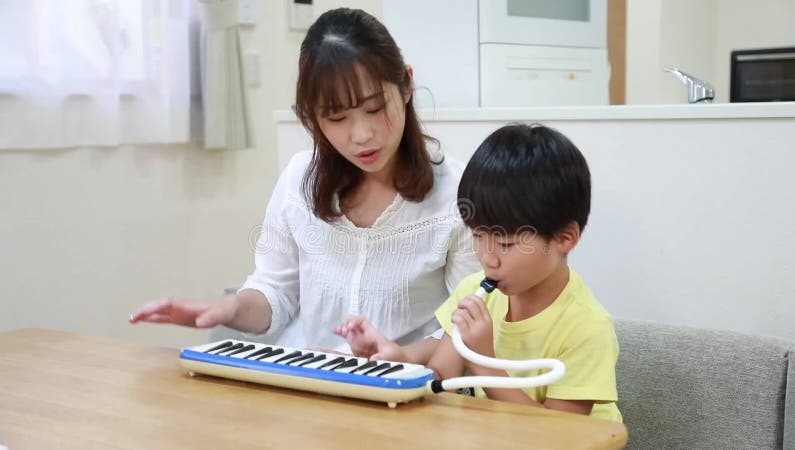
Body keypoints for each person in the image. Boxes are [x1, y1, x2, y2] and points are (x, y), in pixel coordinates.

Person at [129, 8, 479, 352]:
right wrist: (229, 309)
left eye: (374, 109)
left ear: (406, 85)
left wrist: (401, 358)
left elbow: (465, 325)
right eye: (337, 118)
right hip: (304, 379)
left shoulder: (457, 194)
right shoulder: (300, 179)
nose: (361, 135)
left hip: (401, 387)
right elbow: (275, 293)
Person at [335, 124, 623, 422]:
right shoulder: (475, 291)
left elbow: (561, 435)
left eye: (505, 244)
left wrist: (484, 362)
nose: (487, 257)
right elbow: (442, 379)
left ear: (564, 238)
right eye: (477, 236)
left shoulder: (587, 327)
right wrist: (397, 359)